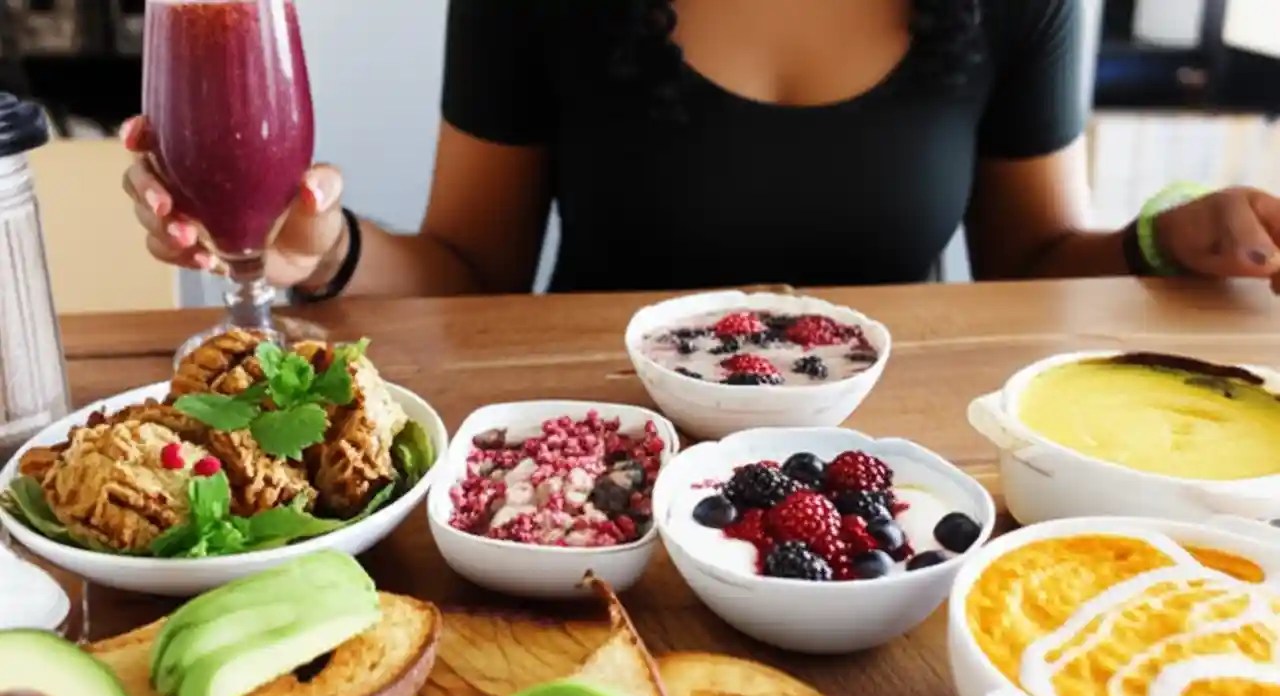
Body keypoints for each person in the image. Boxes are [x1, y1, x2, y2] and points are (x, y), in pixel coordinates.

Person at [122, 0, 1280, 300]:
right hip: (590, 481)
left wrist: (1167, 238)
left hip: (894, 498)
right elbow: (470, 273)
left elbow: (1031, 269)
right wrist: (314, 252)